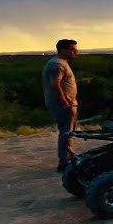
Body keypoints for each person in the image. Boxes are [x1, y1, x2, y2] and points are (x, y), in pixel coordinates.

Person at [43, 39, 79, 172]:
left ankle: (69, 157)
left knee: (68, 131)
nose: (75, 52)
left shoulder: (61, 63)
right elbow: (55, 85)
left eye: (75, 49)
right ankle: (65, 162)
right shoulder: (57, 65)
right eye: (72, 49)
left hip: (67, 104)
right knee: (66, 132)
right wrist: (65, 102)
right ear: (62, 49)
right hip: (63, 105)